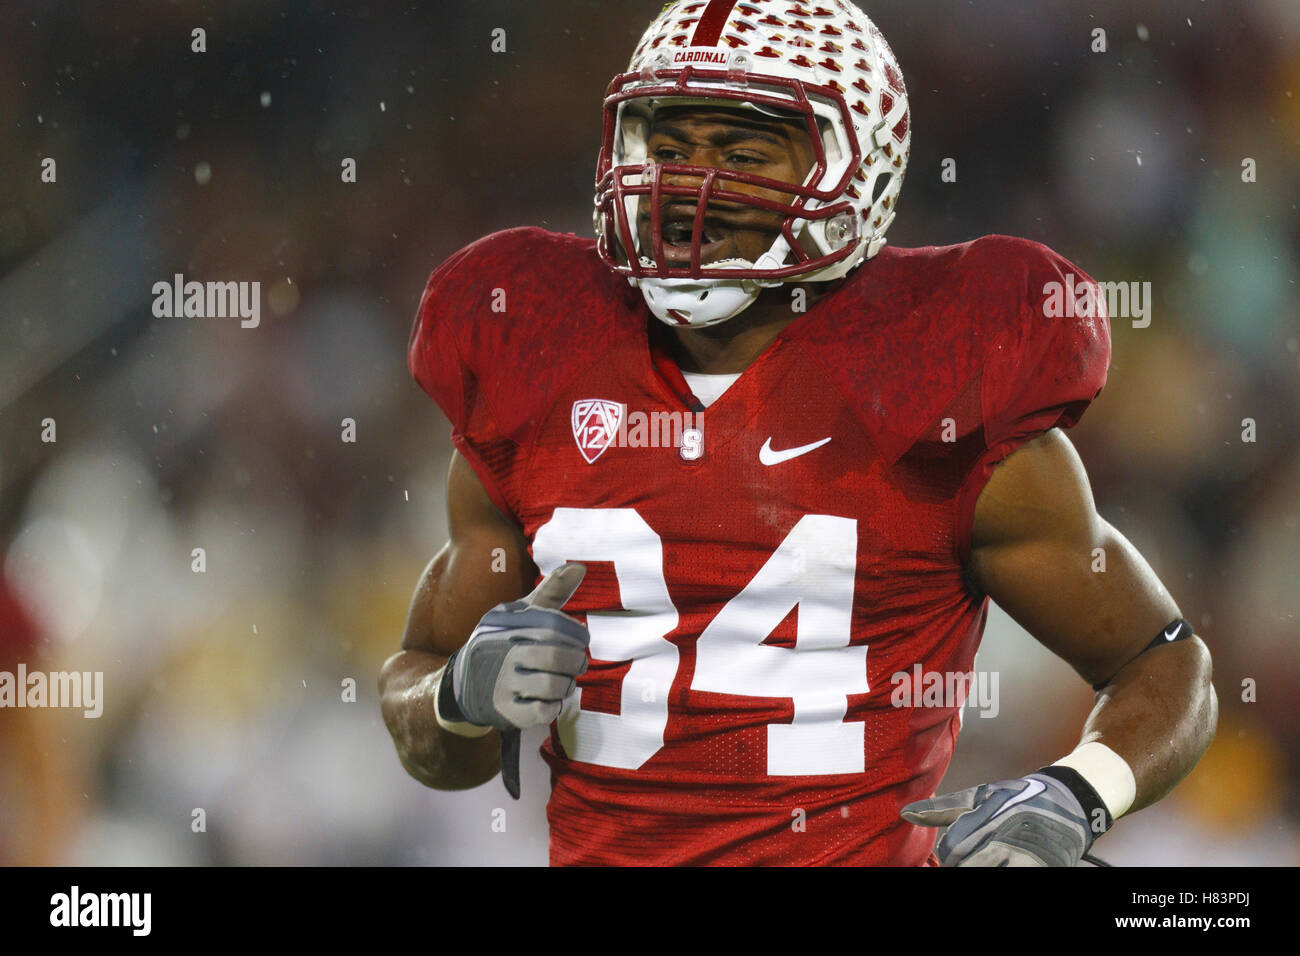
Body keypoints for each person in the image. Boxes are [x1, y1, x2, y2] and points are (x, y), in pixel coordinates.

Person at [380, 0, 1216, 866]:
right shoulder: (538, 361)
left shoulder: (934, 378)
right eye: (668, 149)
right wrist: (454, 697)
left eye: (741, 153)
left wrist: (1080, 792)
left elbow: (1164, 664)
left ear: (859, 169)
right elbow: (433, 728)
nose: (687, 186)